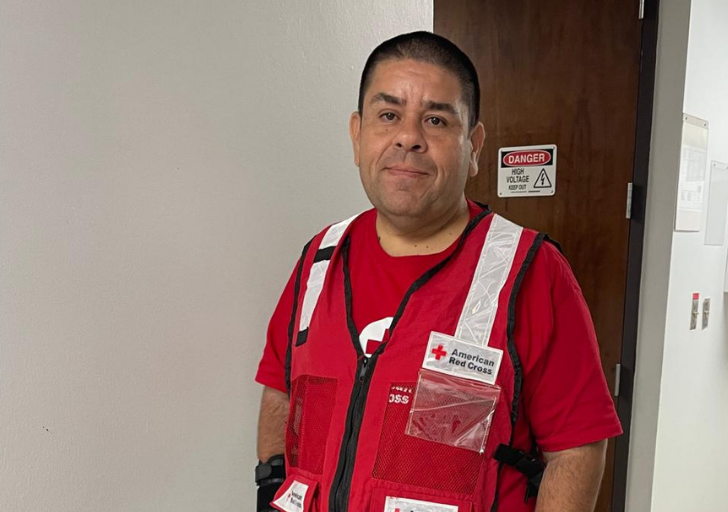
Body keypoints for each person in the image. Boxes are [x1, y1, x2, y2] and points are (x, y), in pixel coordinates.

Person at [253, 31, 622, 512]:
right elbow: (282, 391)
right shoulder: (320, 259)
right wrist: (269, 488)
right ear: (357, 135)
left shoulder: (530, 272)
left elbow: (576, 450)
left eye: (436, 120)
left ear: (474, 145)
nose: (408, 137)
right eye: (389, 115)